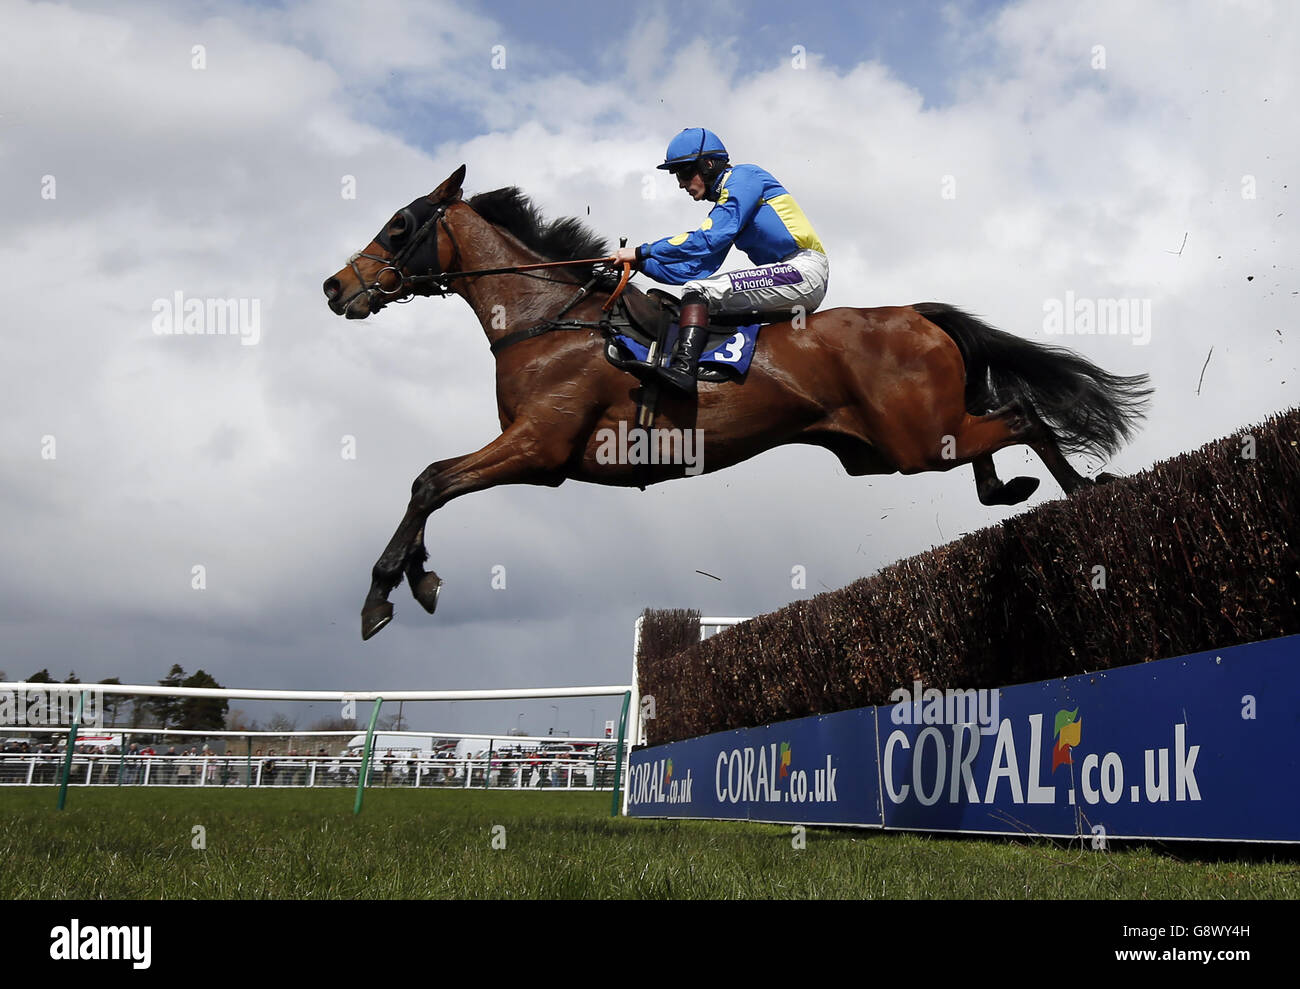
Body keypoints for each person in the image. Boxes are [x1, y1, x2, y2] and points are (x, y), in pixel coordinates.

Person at [609, 127, 829, 393]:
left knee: (698, 292)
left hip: (803, 270)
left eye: (684, 173)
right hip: (789, 276)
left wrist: (643, 250)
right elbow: (694, 269)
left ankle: (683, 371)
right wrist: (642, 264)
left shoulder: (744, 177)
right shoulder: (729, 207)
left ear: (708, 165)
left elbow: (708, 239)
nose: (680, 184)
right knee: (700, 297)